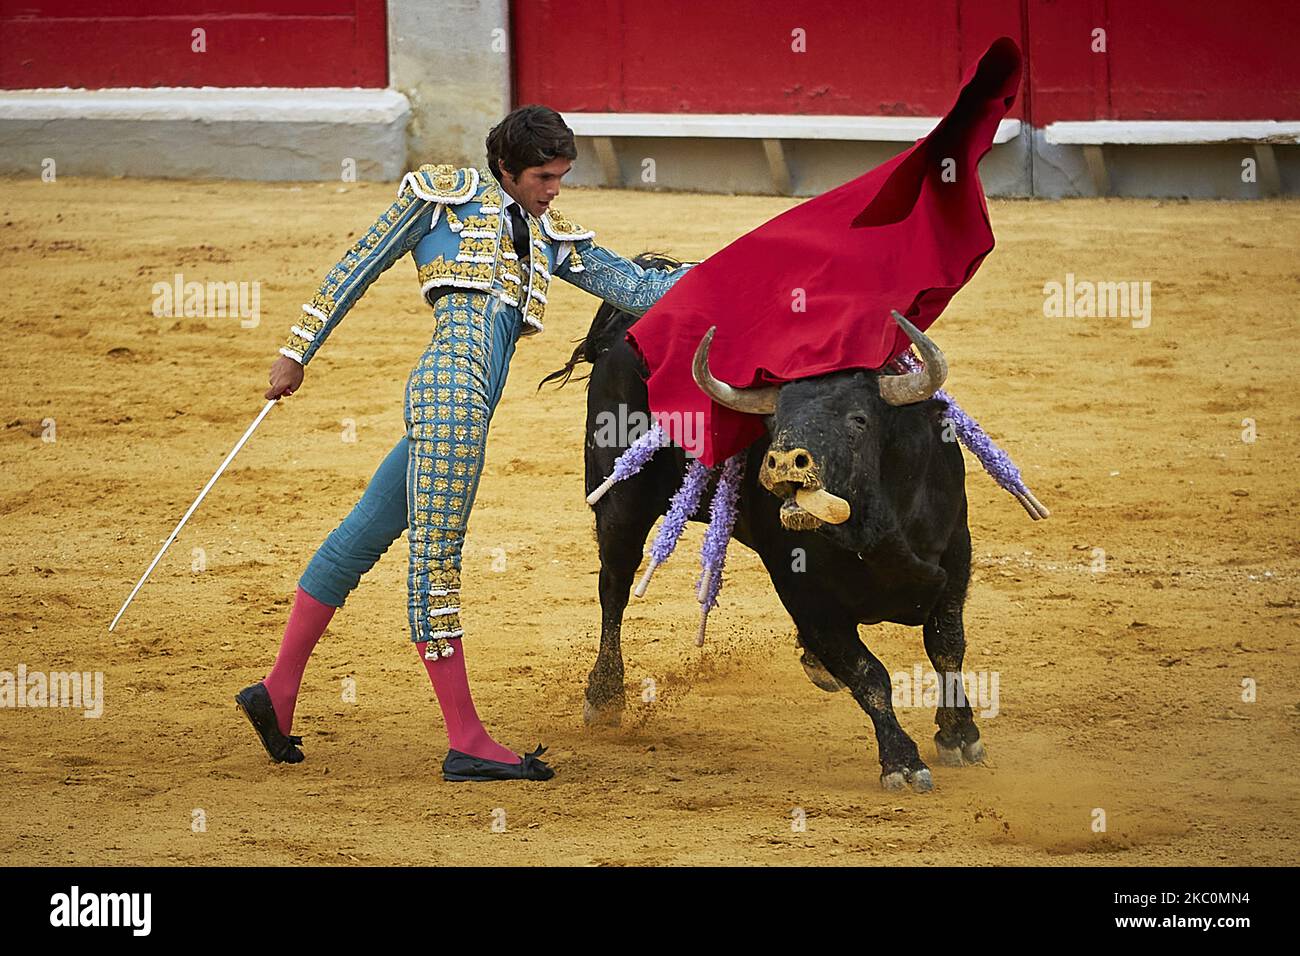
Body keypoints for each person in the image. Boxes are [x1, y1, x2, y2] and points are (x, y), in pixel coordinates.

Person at [235, 105, 695, 782]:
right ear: (507, 168)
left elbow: (640, 289)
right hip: (450, 393)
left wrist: (732, 276)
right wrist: (296, 353)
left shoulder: (551, 236)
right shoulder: (442, 200)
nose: (554, 189)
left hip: (465, 403)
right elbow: (357, 265)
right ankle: (467, 739)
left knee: (362, 534)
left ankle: (277, 691)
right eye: (543, 176)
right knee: (438, 564)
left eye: (562, 176)